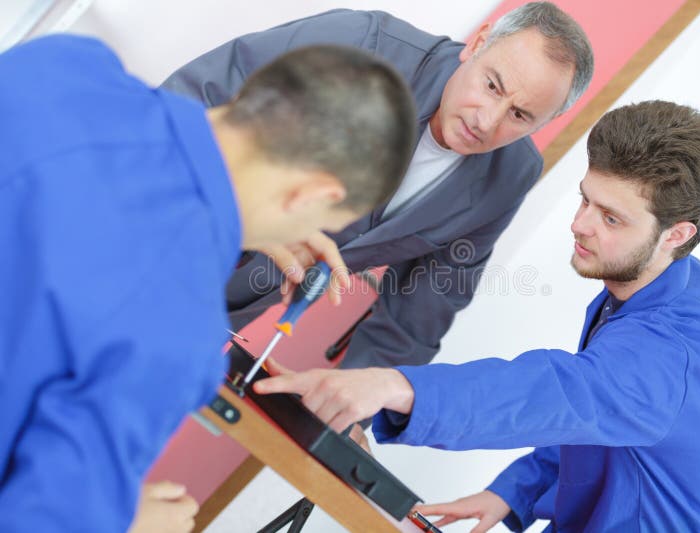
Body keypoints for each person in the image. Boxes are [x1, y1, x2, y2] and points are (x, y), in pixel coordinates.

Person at [255, 101, 700, 531]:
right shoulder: (662, 285)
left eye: (611, 218)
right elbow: (600, 419)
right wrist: (516, 493)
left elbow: (561, 392)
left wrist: (396, 387)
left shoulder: (670, 351)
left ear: (677, 235)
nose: (580, 225)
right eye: (585, 199)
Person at [0, 36, 415, 531]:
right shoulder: (180, 337)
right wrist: (123, 521)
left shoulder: (63, 63)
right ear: (312, 194)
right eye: (328, 218)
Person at [162, 2, 595, 370]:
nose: (487, 120)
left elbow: (418, 315)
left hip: (217, 319)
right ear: (479, 43)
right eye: (491, 85)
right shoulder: (360, 42)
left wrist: (349, 409)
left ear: (546, 122)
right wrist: (244, 212)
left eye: (520, 116)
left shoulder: (509, 178)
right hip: (145, 241)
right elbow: (185, 107)